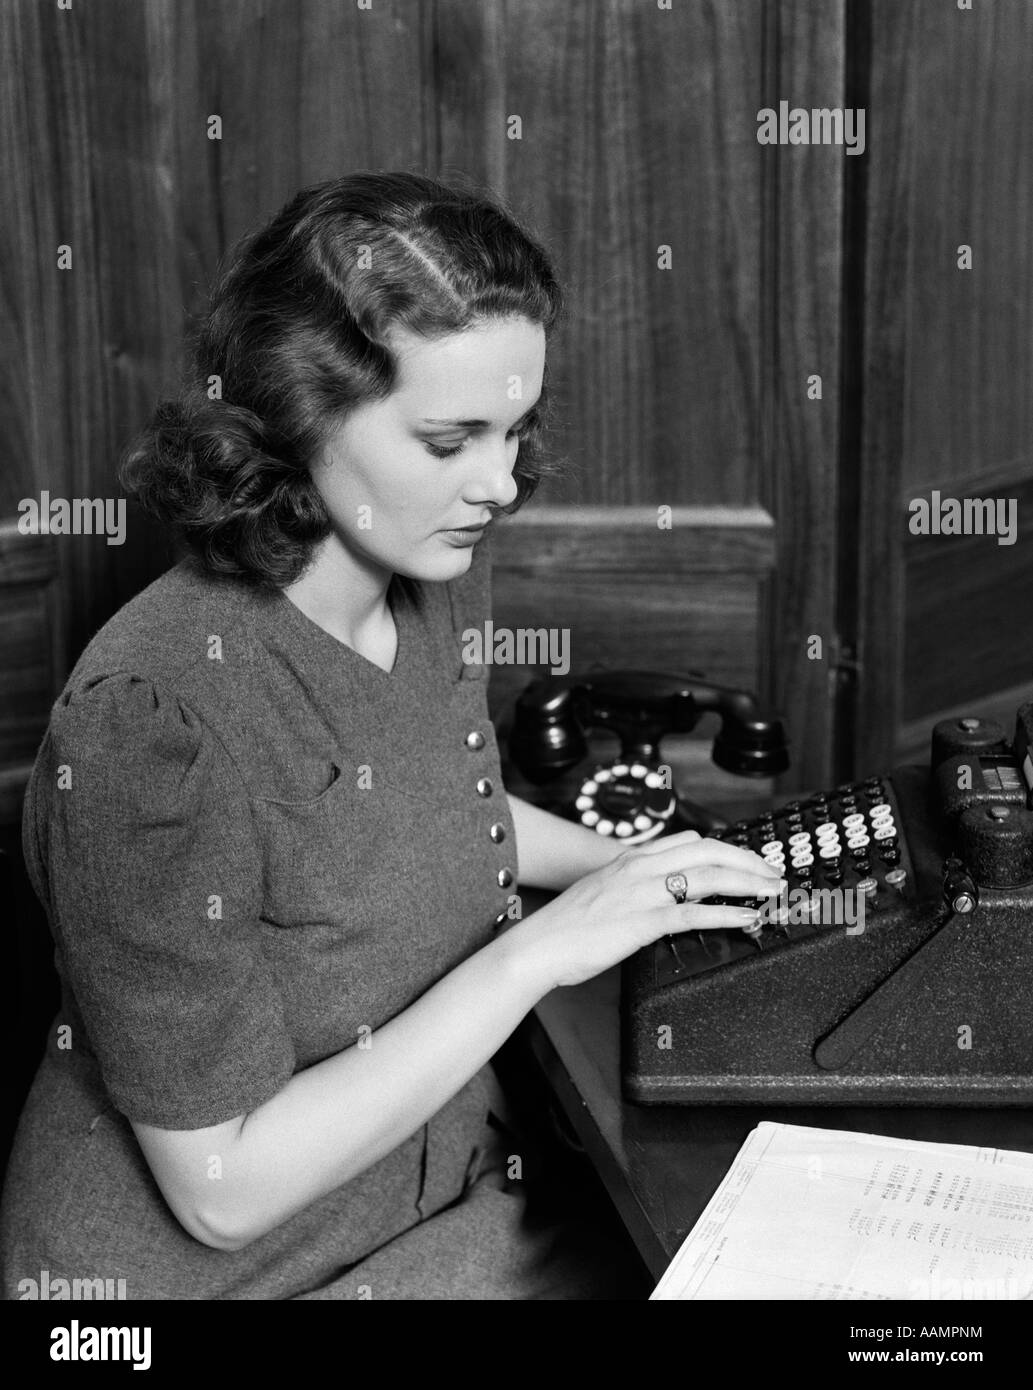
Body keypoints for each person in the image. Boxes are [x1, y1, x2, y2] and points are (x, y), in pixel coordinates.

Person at [0, 171, 781, 1300]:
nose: (500, 482)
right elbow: (222, 1189)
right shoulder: (144, 722)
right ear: (296, 409)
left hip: (442, 1195)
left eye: (514, 430)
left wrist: (628, 870)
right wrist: (543, 950)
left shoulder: (431, 572)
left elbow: (418, 804)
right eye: (448, 438)